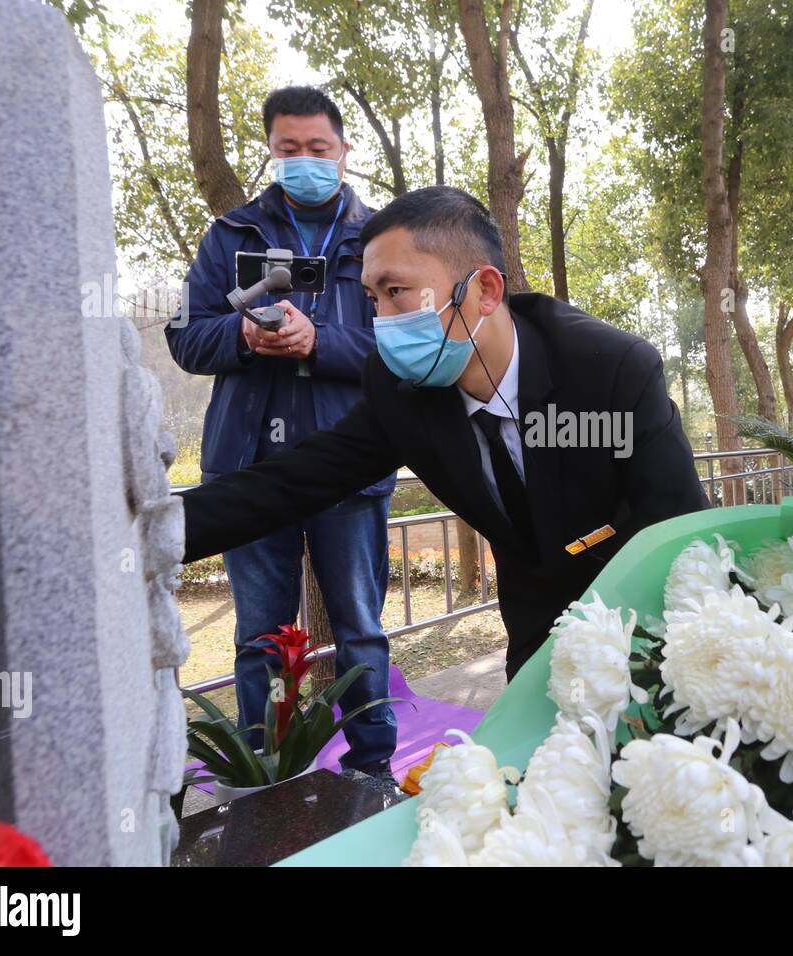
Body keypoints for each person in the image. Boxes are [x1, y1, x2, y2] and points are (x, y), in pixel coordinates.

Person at [178, 185, 709, 680]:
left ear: (485, 289)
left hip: (654, 620)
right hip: (535, 631)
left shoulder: (608, 369)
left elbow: (680, 531)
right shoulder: (401, 390)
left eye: (397, 292)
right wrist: (152, 530)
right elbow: (294, 481)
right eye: (372, 299)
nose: (382, 320)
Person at [165, 86, 396, 778]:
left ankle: (372, 767)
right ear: (271, 151)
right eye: (289, 149)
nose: (304, 161)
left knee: (361, 628)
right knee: (259, 636)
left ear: (343, 153)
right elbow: (185, 337)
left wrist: (319, 340)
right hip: (248, 469)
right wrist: (241, 332)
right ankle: (263, 772)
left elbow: (403, 344)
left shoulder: (383, 238)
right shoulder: (231, 234)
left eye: (318, 149)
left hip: (347, 463)